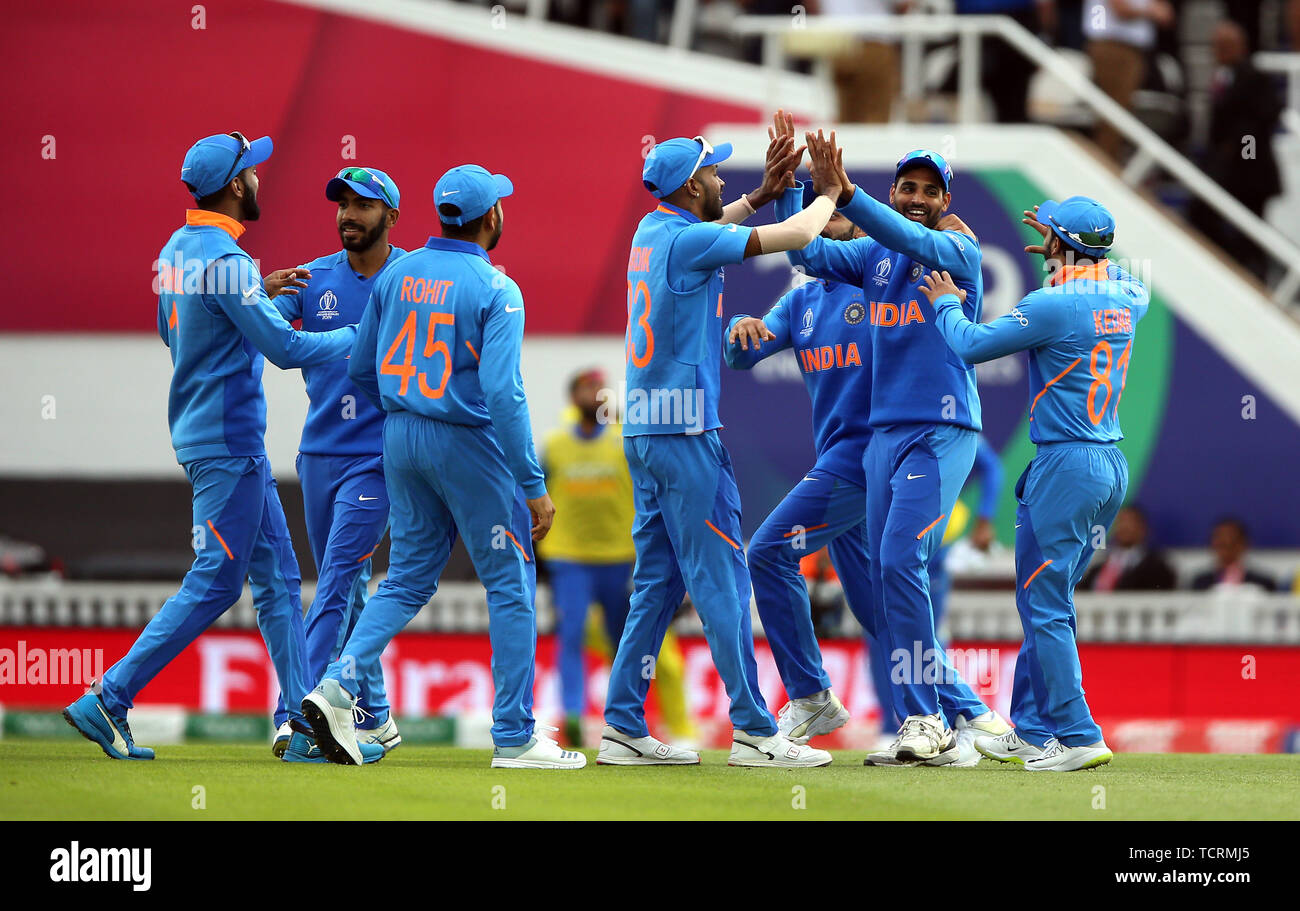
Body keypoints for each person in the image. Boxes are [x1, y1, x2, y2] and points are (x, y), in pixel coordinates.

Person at [63, 132, 358, 760]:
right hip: (229, 443)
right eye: (251, 171)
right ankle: (109, 696)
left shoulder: (178, 250)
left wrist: (255, 297)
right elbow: (288, 350)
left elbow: (176, 329)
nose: (258, 179)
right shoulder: (228, 262)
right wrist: (362, 334)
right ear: (234, 185)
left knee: (279, 581)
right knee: (219, 582)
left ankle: (301, 725)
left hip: (210, 437)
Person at [300, 164, 574, 769]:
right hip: (467, 442)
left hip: (399, 438)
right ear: (491, 216)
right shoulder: (497, 288)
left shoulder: (398, 274)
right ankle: (514, 737)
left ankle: (337, 685)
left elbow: (360, 368)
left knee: (405, 579)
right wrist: (532, 485)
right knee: (509, 583)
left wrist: (407, 409)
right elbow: (504, 395)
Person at [728, 177, 1007, 767]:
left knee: (770, 552)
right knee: (879, 611)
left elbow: (913, 246)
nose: (823, 220)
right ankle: (972, 715)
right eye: (816, 212)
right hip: (855, 465)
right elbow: (745, 354)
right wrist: (737, 332)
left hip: (865, 460)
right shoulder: (801, 301)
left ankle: (813, 696)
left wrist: (850, 198)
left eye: (832, 211)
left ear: (862, 225)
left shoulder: (883, 277)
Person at [600, 112, 845, 769]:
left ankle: (621, 724)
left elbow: (714, 227)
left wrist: (762, 193)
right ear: (690, 186)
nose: (720, 179)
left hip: (646, 429)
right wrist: (828, 191)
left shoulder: (652, 231)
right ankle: (755, 731)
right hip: (686, 434)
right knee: (724, 582)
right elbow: (800, 235)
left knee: (657, 585)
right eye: (712, 172)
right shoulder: (689, 239)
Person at [920, 194, 1148, 771]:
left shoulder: (1051, 303)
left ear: (1060, 246)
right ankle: (1030, 729)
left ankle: (1079, 735)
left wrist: (945, 303)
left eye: (1050, 234)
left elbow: (970, 345)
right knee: (1046, 602)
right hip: (1106, 465)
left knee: (1044, 606)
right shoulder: (1127, 296)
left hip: (1065, 465)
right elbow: (1115, 273)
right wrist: (1069, 250)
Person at [263, 167, 408, 761]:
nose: (349, 214)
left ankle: (296, 714)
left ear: (390, 216)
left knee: (337, 583)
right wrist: (259, 290)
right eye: (342, 204)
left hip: (379, 458)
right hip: (319, 455)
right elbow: (261, 325)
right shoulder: (312, 277)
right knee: (345, 590)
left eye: (363, 205)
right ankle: (376, 714)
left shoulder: (413, 278)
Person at [538, 368, 636, 747]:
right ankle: (573, 714)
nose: (595, 393)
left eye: (599, 387)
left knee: (622, 639)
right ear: (573, 397)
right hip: (569, 556)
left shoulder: (624, 440)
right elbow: (535, 490)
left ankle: (623, 715)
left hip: (618, 555)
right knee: (572, 632)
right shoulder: (556, 445)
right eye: (586, 387)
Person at [1186, 21, 1283, 280]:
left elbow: (1264, 117)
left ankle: (1253, 273)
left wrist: (1242, 150)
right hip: (1229, 169)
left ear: (1241, 47)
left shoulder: (1254, 76)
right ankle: (1234, 262)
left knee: (1250, 231)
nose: (1219, 51)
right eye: (1217, 46)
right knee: (1203, 214)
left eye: (1226, 46)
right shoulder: (1222, 77)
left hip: (1250, 172)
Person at [1083, 0, 1175, 161]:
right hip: (1113, 47)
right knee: (1112, 117)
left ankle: (1109, 162)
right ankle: (1104, 165)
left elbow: (1166, 15)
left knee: (1119, 115)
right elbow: (1120, 9)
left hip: (1129, 50)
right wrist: (1152, 10)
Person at [1080, 503, 1175, 591]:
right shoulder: (1100, 566)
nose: (1125, 527)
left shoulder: (1155, 567)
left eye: (1130, 522)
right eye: (1121, 522)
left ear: (1142, 528)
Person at [1191, 518, 1277, 592]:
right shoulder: (1200, 584)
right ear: (1212, 544)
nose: (1227, 549)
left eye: (1232, 543)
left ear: (1244, 544)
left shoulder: (1263, 584)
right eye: (1222, 544)